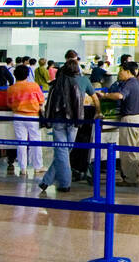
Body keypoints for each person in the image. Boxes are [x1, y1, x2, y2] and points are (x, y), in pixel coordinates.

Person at [99, 62, 139, 186]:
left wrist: (105, 95)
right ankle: (135, 175)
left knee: (127, 150)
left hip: (129, 119)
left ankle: (130, 179)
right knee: (136, 150)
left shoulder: (129, 84)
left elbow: (120, 96)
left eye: (121, 70)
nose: (119, 73)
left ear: (127, 71)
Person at [39, 58, 82, 194]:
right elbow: (78, 104)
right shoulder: (76, 84)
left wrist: (48, 120)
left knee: (61, 151)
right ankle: (64, 184)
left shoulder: (55, 85)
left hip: (58, 121)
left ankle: (46, 181)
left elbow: (50, 104)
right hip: (72, 122)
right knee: (64, 151)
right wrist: (79, 121)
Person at [6, 63, 45, 178]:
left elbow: (9, 104)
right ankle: (38, 166)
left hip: (18, 116)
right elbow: (41, 100)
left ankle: (23, 168)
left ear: (15, 75)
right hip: (33, 116)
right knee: (36, 141)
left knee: (21, 142)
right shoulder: (34, 86)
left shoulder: (11, 88)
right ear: (27, 75)